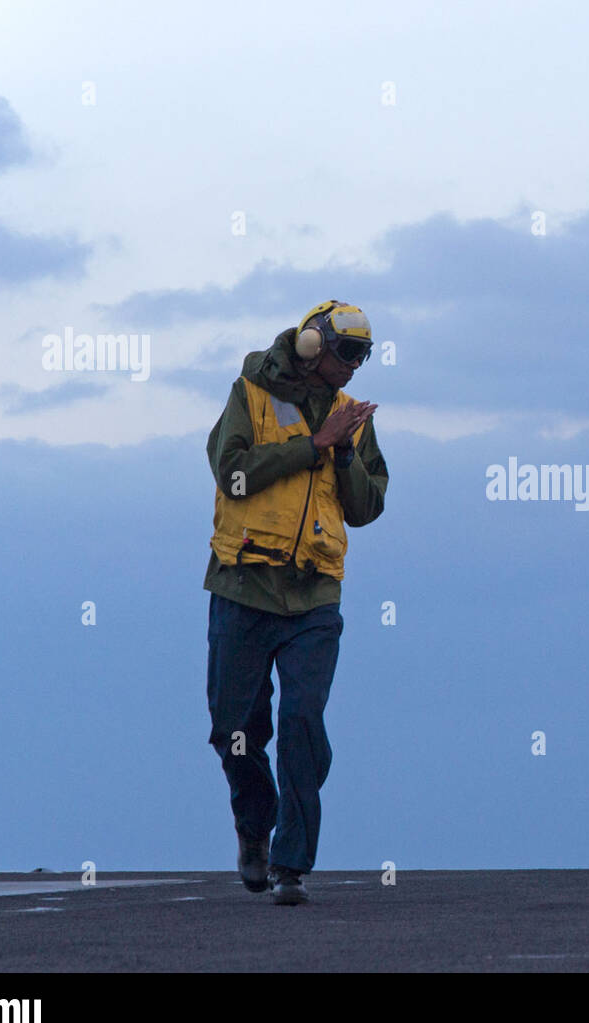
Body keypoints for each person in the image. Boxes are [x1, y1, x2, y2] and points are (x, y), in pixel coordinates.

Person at [204, 300, 388, 906]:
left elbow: (365, 510)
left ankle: (291, 864)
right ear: (313, 344)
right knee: (235, 731)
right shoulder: (251, 393)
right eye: (348, 353)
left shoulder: (352, 417)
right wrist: (313, 446)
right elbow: (230, 473)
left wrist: (339, 452)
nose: (355, 367)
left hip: (314, 596)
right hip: (244, 587)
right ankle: (255, 827)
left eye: (364, 355)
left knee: (303, 722)